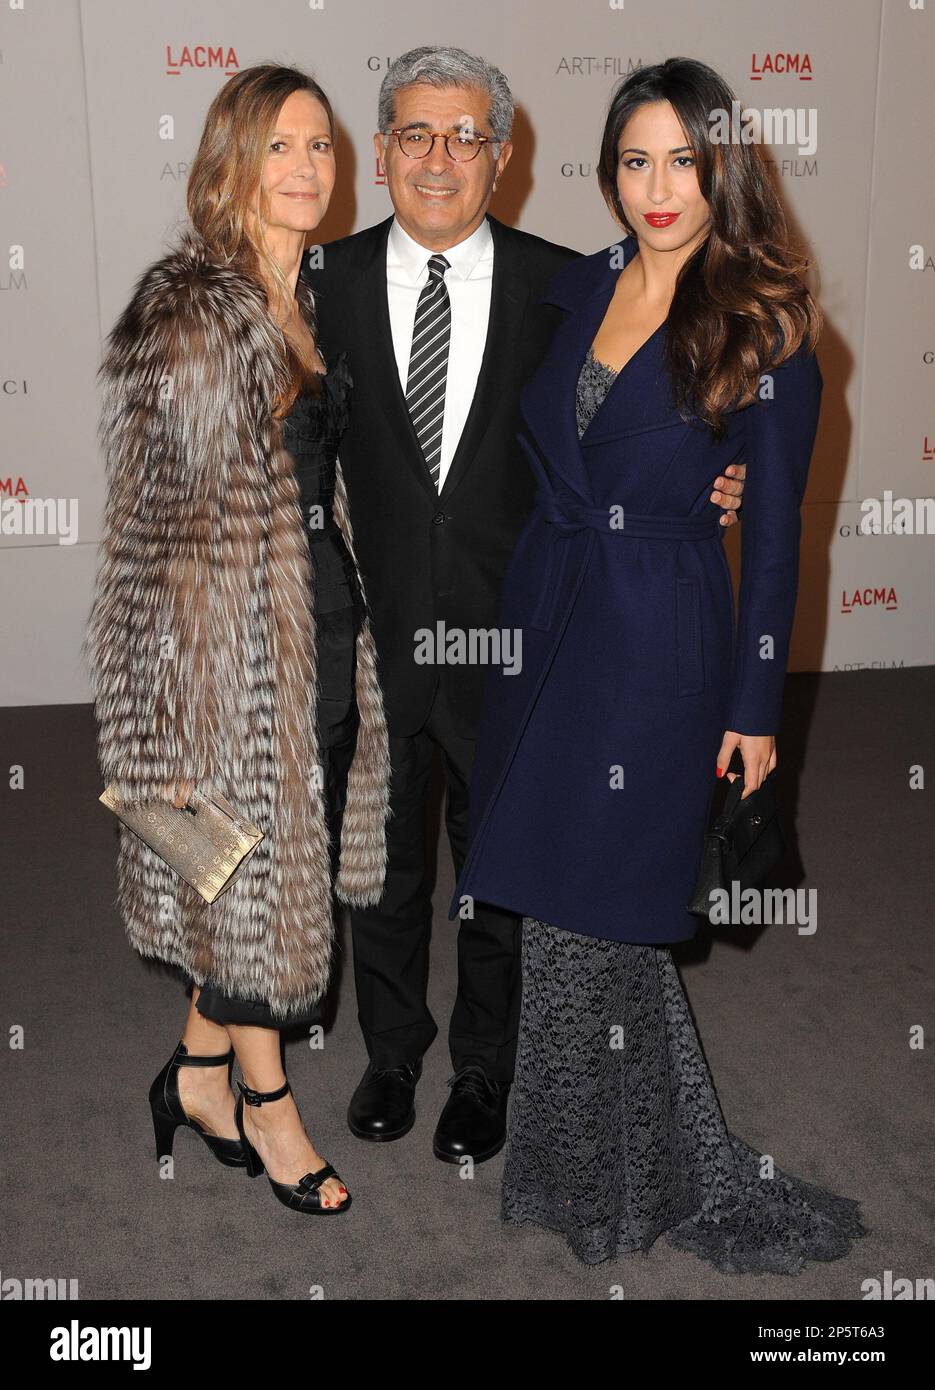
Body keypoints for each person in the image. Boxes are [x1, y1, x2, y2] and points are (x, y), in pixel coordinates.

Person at [449, 58, 870, 1271]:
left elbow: (781, 535)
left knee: (601, 908)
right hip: (552, 612)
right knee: (555, 899)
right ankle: (600, 1161)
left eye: (682, 159)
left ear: (722, 164)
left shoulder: (768, 323)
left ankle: (625, 1177)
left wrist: (755, 707)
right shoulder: (579, 285)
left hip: (658, 640)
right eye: (634, 161)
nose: (656, 188)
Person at [302, 46, 747, 1164]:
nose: (438, 158)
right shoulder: (324, 283)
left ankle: (483, 1074)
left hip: (524, 633)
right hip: (374, 632)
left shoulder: (569, 282)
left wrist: (720, 466)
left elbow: (664, 383)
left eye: (465, 136)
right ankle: (392, 1052)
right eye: (414, 133)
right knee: (385, 860)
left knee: (494, 863)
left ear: (503, 157)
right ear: (383, 149)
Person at [84, 64, 391, 1216]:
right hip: (229, 663)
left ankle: (200, 1073)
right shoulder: (190, 312)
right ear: (232, 161)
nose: (308, 167)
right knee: (256, 884)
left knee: (272, 867)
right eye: (281, 146)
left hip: (321, 620)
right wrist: (168, 715)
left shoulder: (309, 292)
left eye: (320, 146)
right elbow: (150, 540)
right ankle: (267, 1104)